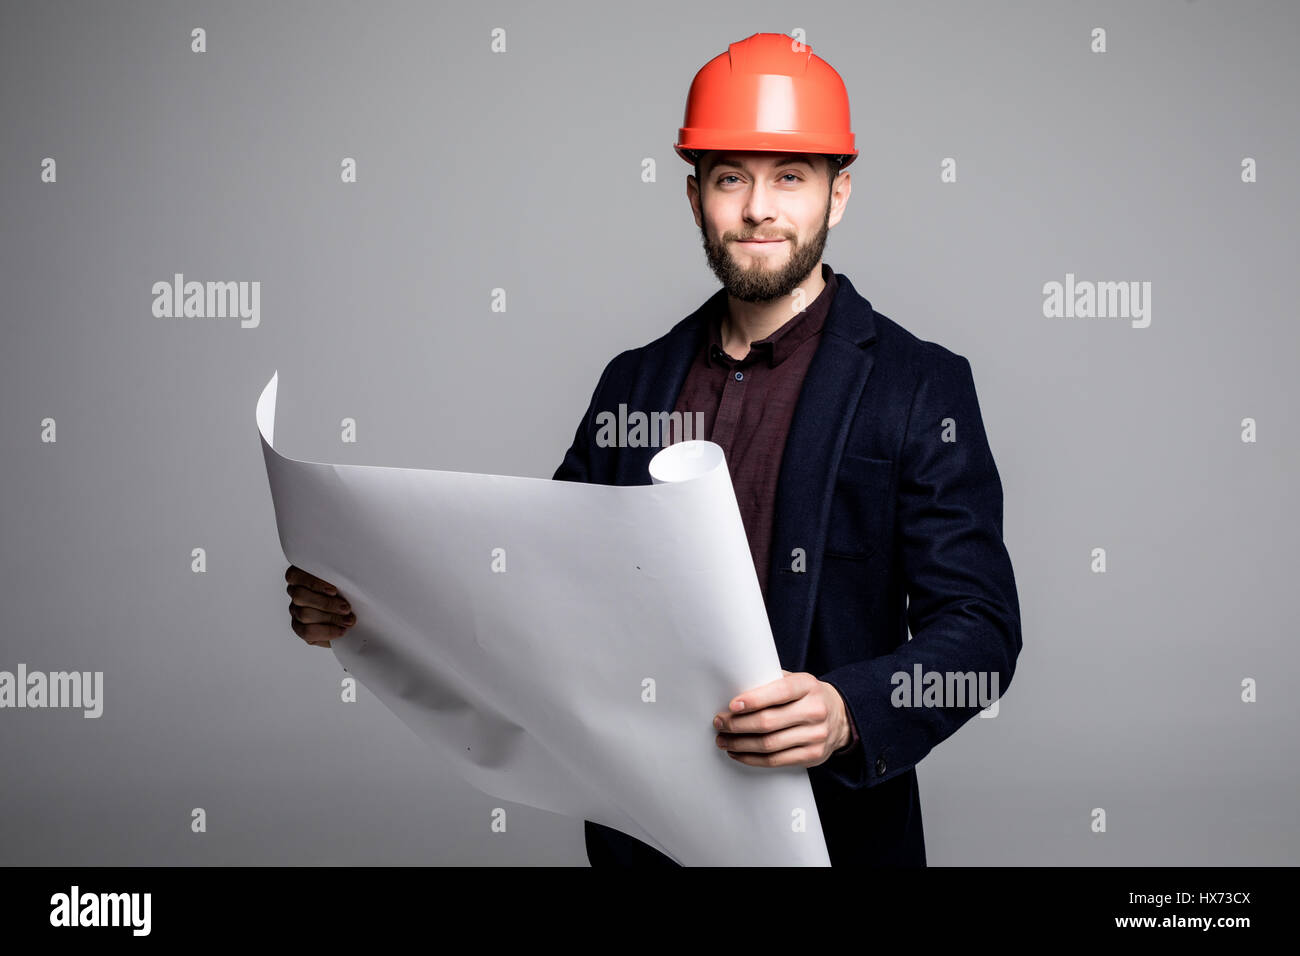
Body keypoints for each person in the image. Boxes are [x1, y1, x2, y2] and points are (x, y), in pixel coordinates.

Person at [286, 32, 1022, 867]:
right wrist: (367, 615)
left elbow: (980, 629)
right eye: (730, 177)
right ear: (693, 193)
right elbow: (531, 592)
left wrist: (850, 709)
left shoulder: (919, 385)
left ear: (838, 194)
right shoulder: (631, 385)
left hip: (835, 835)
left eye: (789, 177)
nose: (758, 209)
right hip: (644, 838)